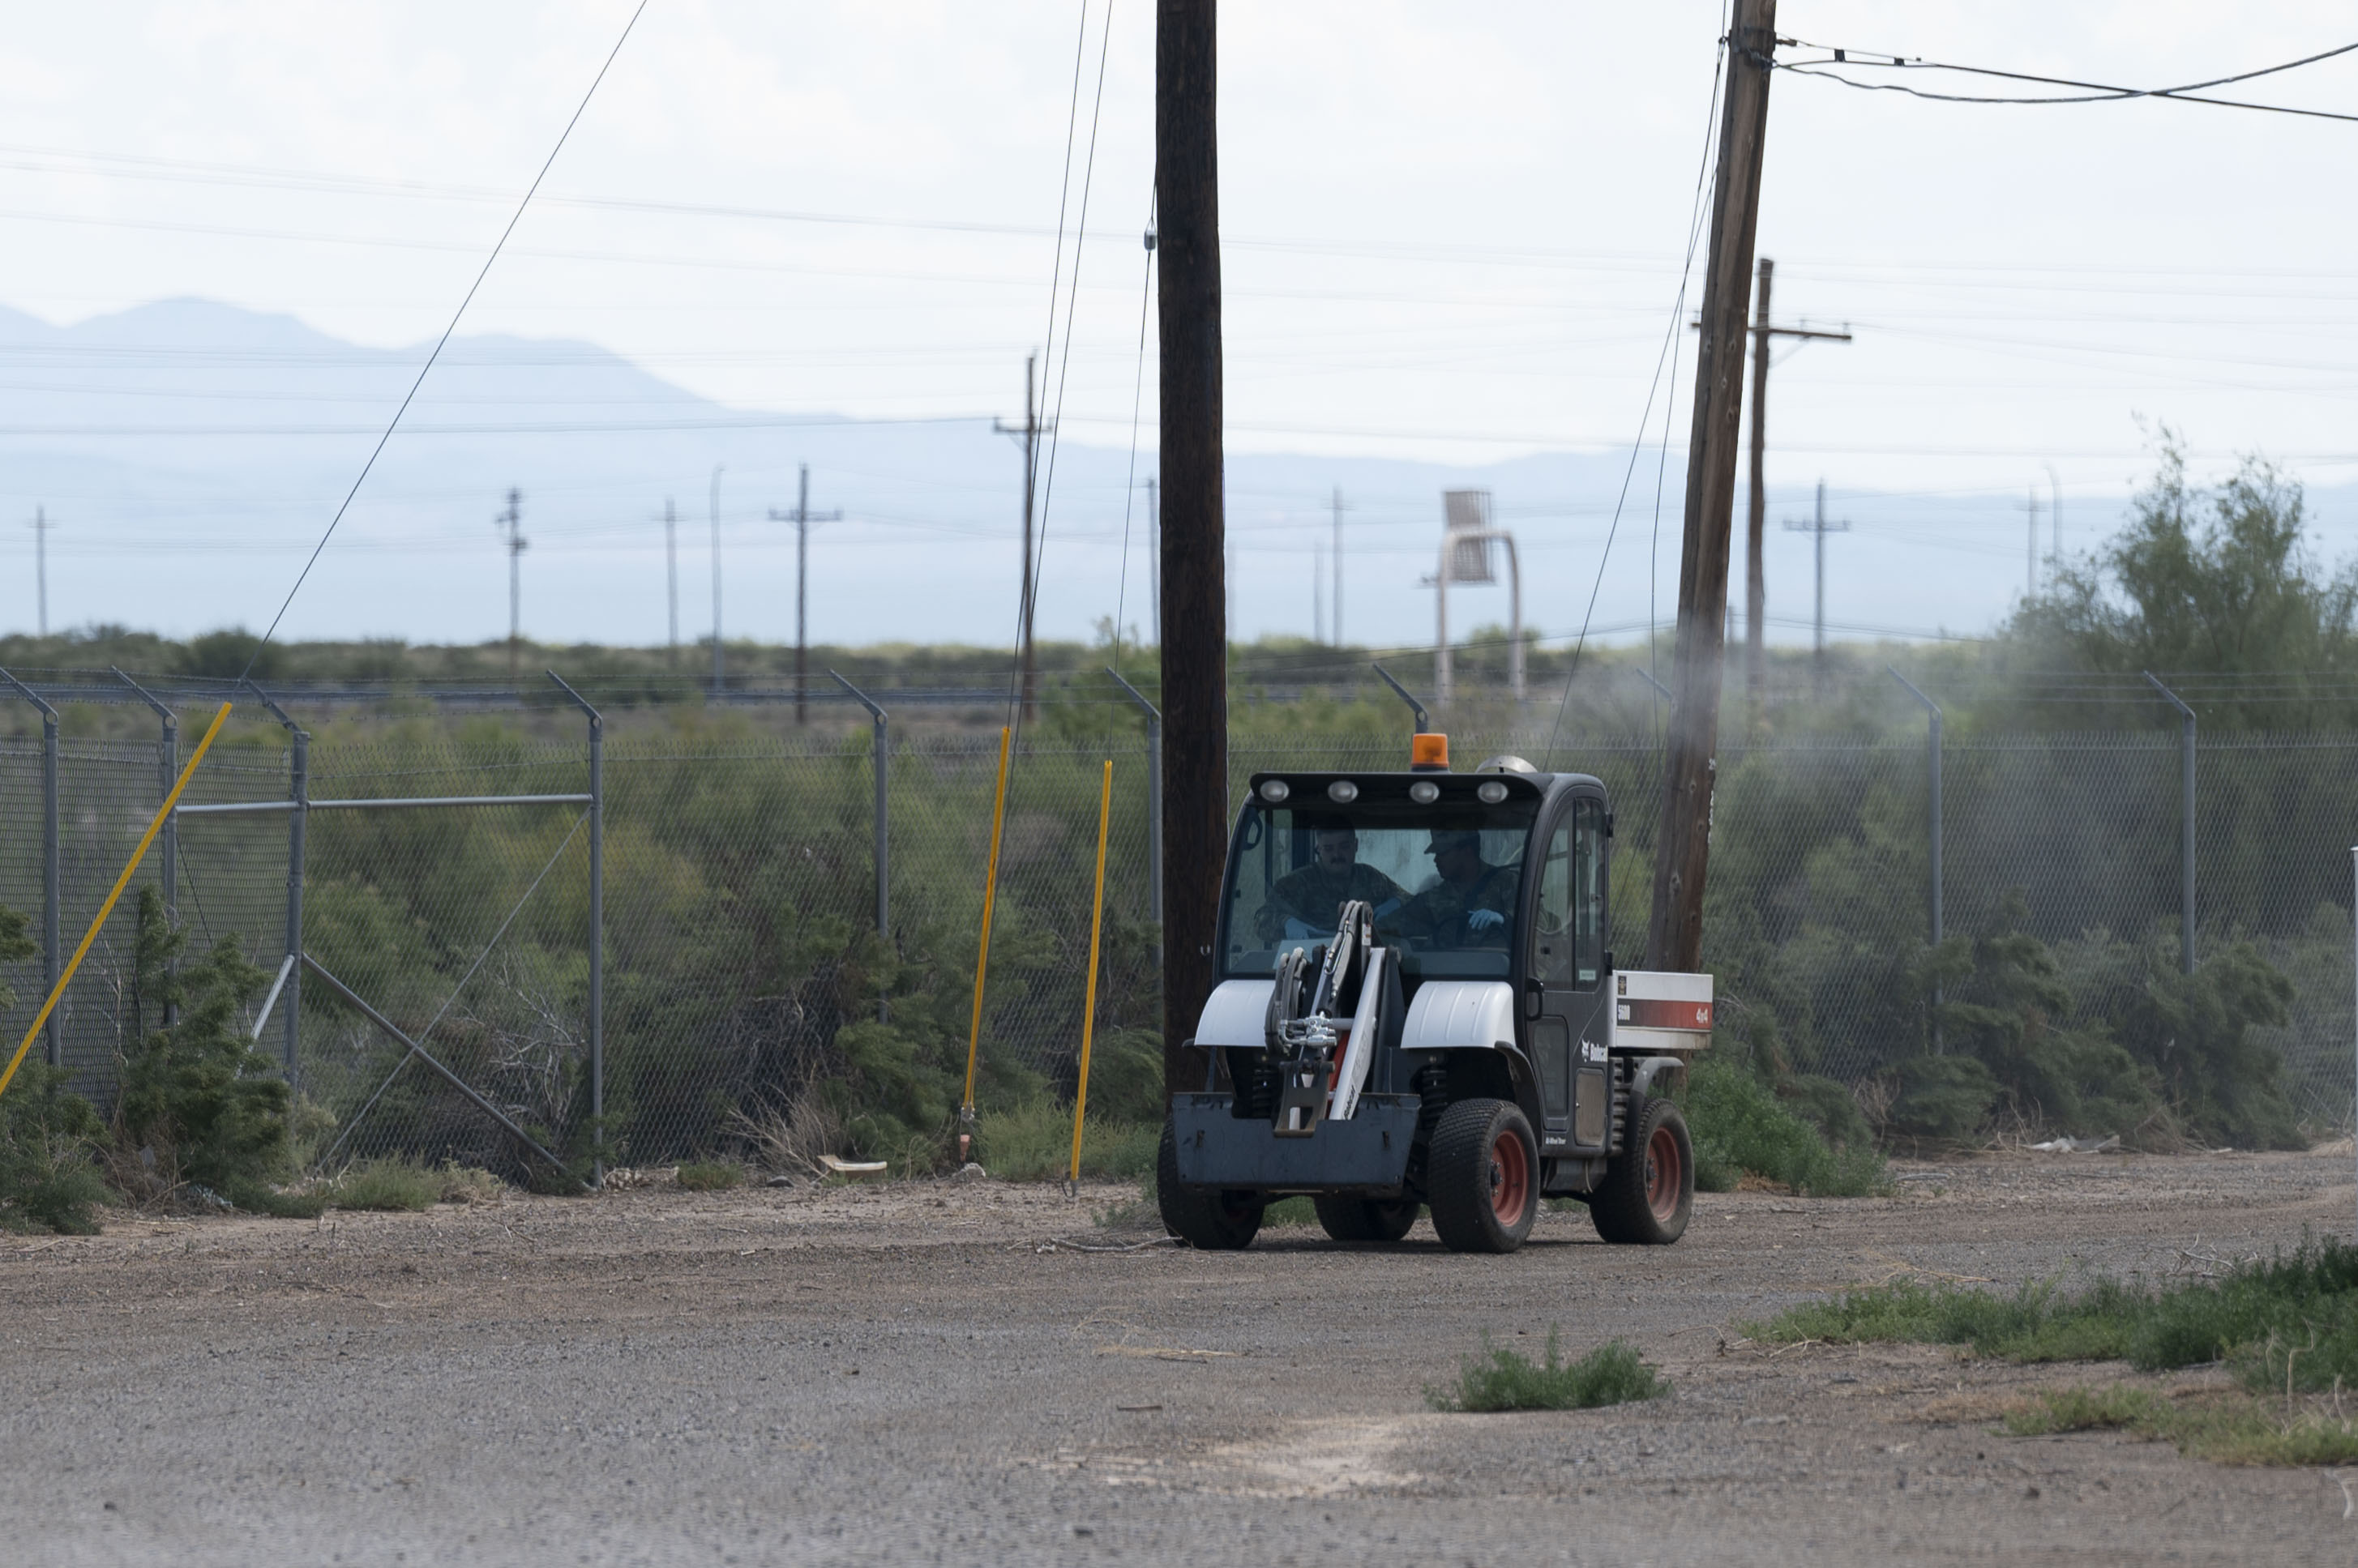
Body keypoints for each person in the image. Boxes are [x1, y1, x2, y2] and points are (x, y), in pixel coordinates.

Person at [1253, 822, 1406, 942]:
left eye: (1344, 846)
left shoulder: (1370, 877)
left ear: (1356, 845)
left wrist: (1396, 902)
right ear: (1318, 849)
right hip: (1311, 965)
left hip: (1368, 962)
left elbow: (1411, 901)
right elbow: (1261, 920)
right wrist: (1286, 923)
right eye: (1328, 849)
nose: (1337, 855)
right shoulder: (1299, 882)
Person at [1387, 828, 1518, 947]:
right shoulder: (1435, 898)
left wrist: (1504, 921)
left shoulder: (1507, 883)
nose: (1436, 860)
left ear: (1467, 852)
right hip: (1441, 971)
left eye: (1442, 853)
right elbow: (1391, 925)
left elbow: (1535, 935)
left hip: (1500, 971)